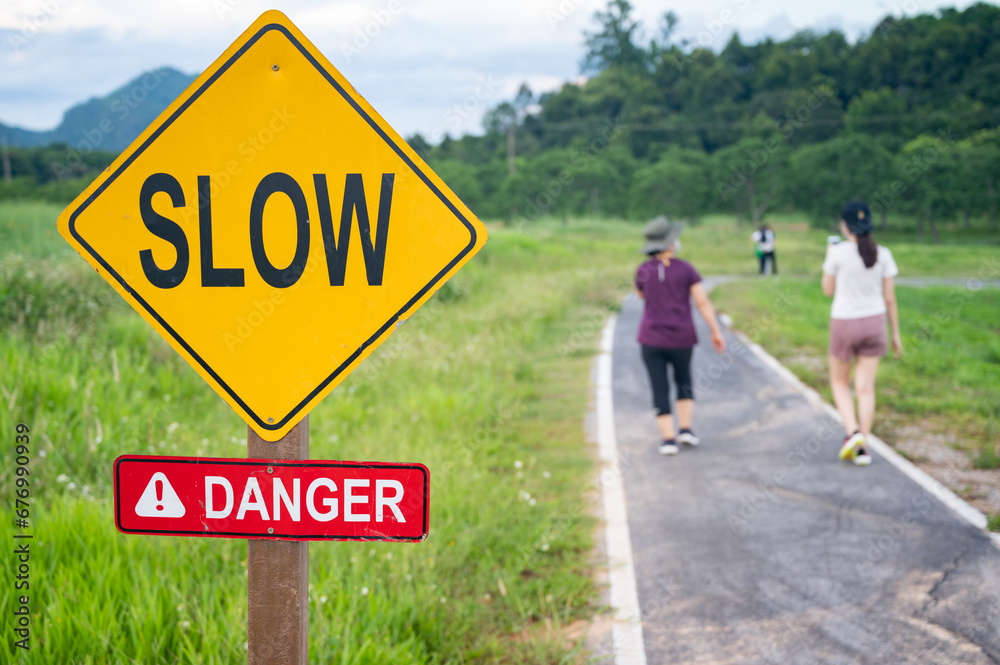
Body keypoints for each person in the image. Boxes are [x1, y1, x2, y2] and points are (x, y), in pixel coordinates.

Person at [635, 217, 726, 456]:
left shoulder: (642, 270)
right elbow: (702, 302)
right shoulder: (686, 269)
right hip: (681, 337)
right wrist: (715, 331)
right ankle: (685, 428)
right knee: (683, 380)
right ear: (671, 243)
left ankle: (668, 439)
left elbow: (641, 296)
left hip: (651, 338)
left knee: (659, 387)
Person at [822, 201, 902, 466]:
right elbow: (890, 299)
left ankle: (852, 432)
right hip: (875, 323)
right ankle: (862, 448)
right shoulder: (884, 253)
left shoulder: (838, 253)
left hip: (845, 322)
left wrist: (828, 255)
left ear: (845, 226)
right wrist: (896, 334)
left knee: (840, 383)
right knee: (866, 388)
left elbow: (827, 291)